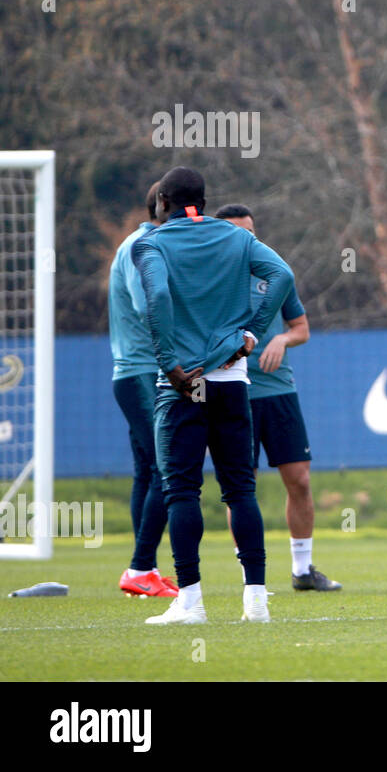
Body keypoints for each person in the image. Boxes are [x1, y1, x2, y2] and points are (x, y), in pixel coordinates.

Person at [132, 167, 294, 624]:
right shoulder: (236, 238)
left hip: (183, 382)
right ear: (202, 200)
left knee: (181, 491)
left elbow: (158, 299)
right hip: (231, 380)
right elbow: (282, 274)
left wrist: (170, 363)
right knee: (241, 490)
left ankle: (191, 603)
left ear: (162, 200)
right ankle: (256, 602)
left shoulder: (152, 242)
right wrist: (250, 334)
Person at [213, 204, 340, 591]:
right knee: (241, 487)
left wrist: (282, 339)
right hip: (233, 393)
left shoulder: (274, 274)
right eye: (238, 232)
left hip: (279, 391)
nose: (248, 240)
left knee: (299, 480)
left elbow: (301, 328)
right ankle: (250, 576)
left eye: (251, 232)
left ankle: (303, 570)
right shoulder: (210, 280)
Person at [110, 180, 175, 598]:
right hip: (140, 373)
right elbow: (144, 304)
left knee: (146, 470)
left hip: (140, 373)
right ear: (164, 205)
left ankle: (144, 569)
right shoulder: (141, 246)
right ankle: (139, 568)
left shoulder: (150, 243)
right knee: (165, 469)